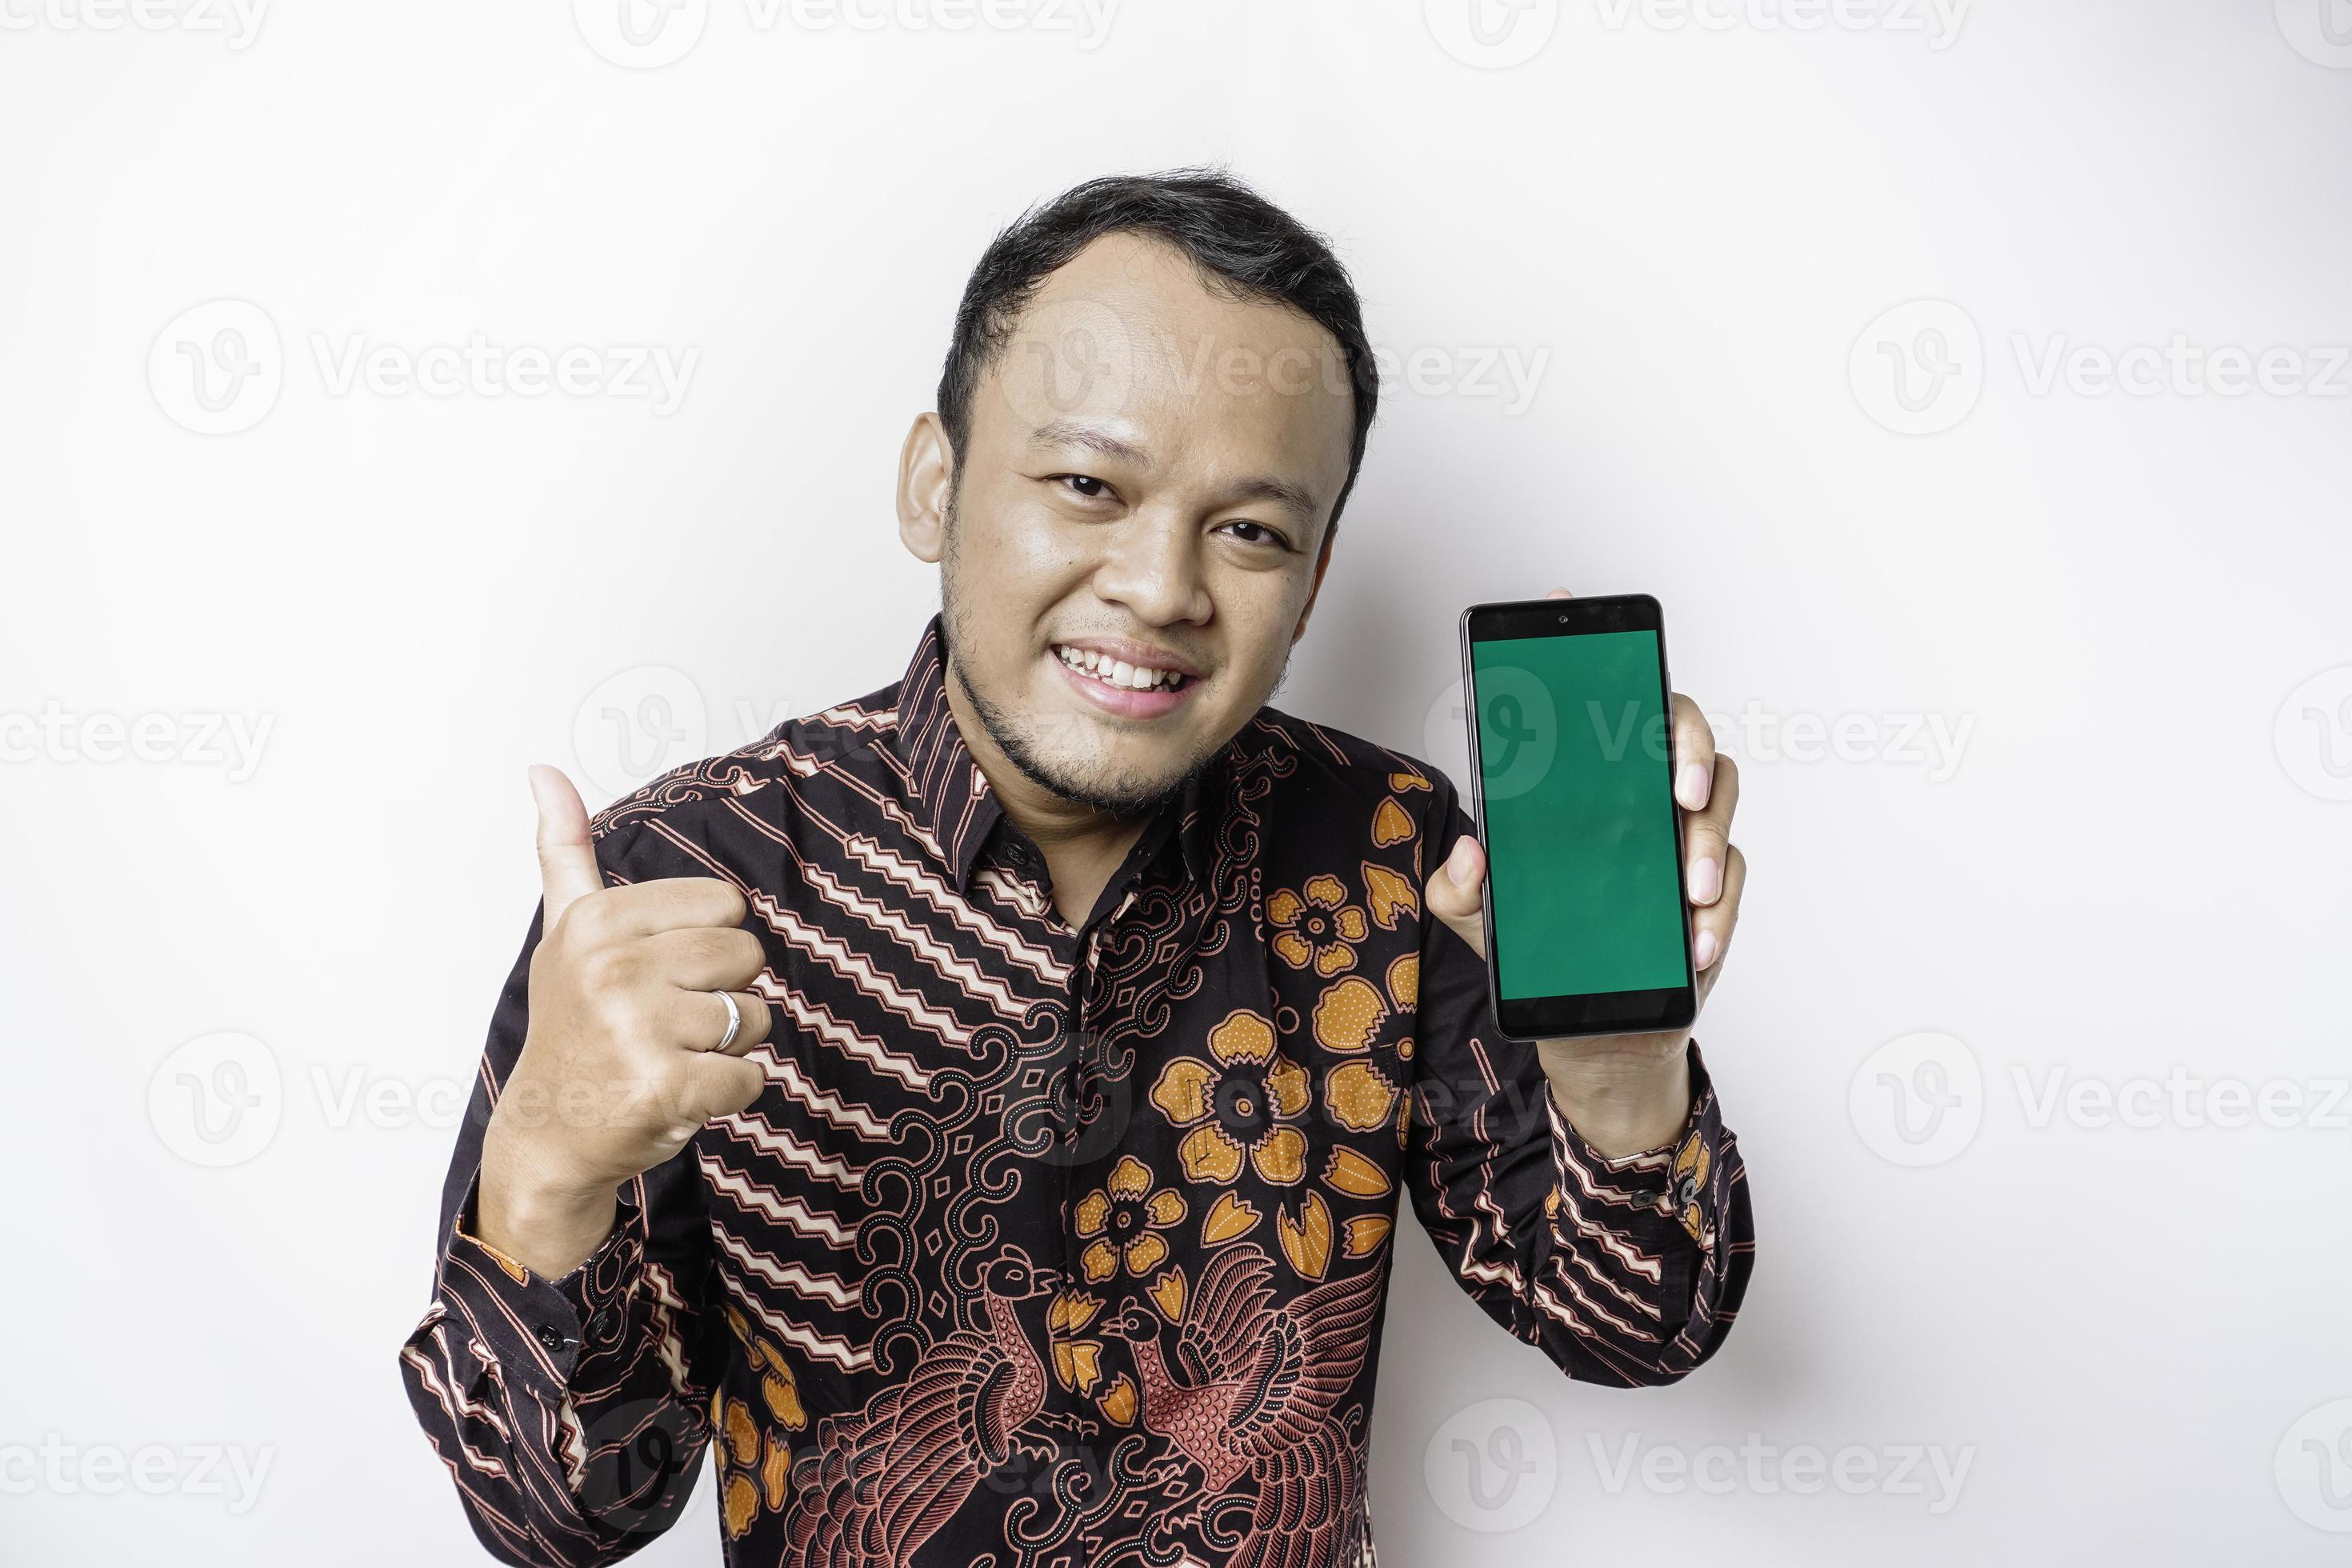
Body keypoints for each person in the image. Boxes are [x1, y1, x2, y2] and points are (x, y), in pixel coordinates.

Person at [398, 169, 1754, 1567]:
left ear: (1315, 578)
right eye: (1089, 486)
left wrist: (1619, 1073)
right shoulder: (676, 884)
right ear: (935, 485)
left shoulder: (1394, 852)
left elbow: (1631, 1326)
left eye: (1251, 530)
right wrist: (547, 1172)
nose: (1161, 588)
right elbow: (563, 1519)